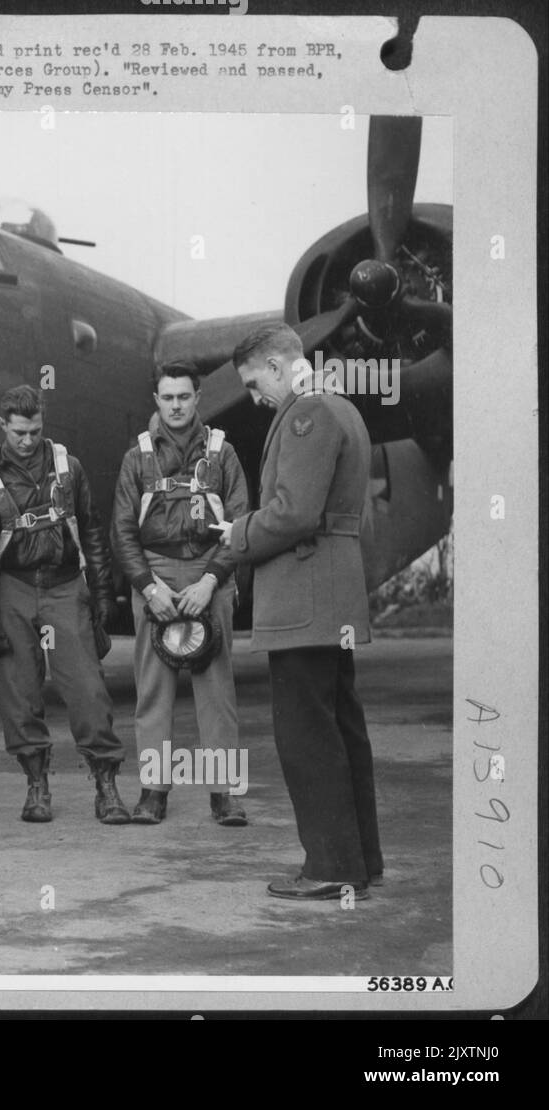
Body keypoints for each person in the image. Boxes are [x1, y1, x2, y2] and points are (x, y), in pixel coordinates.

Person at [219, 322, 382, 900]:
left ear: (279, 365)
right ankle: (358, 862)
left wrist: (234, 535)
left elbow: (292, 514)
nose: (254, 396)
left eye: (254, 381)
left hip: (304, 600)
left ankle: (332, 868)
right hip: (331, 594)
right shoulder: (340, 405)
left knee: (308, 737)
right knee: (340, 728)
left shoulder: (305, 414)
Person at [0, 385, 127, 823]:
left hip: (63, 584)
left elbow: (91, 532)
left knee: (88, 689)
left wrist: (100, 595)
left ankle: (107, 786)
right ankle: (36, 786)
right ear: (3, 425)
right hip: (13, 587)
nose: (27, 440)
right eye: (19, 432)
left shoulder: (68, 467)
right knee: (19, 694)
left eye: (34, 430)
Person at [111, 362, 250, 826]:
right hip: (155, 573)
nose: (176, 405)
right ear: (156, 399)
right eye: (167, 397)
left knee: (217, 688)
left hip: (209, 571)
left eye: (184, 397)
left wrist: (210, 581)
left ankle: (223, 793)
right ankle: (153, 793)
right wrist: (149, 588)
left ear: (198, 397)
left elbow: (239, 525)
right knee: (153, 689)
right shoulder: (137, 458)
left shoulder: (222, 454)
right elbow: (123, 533)